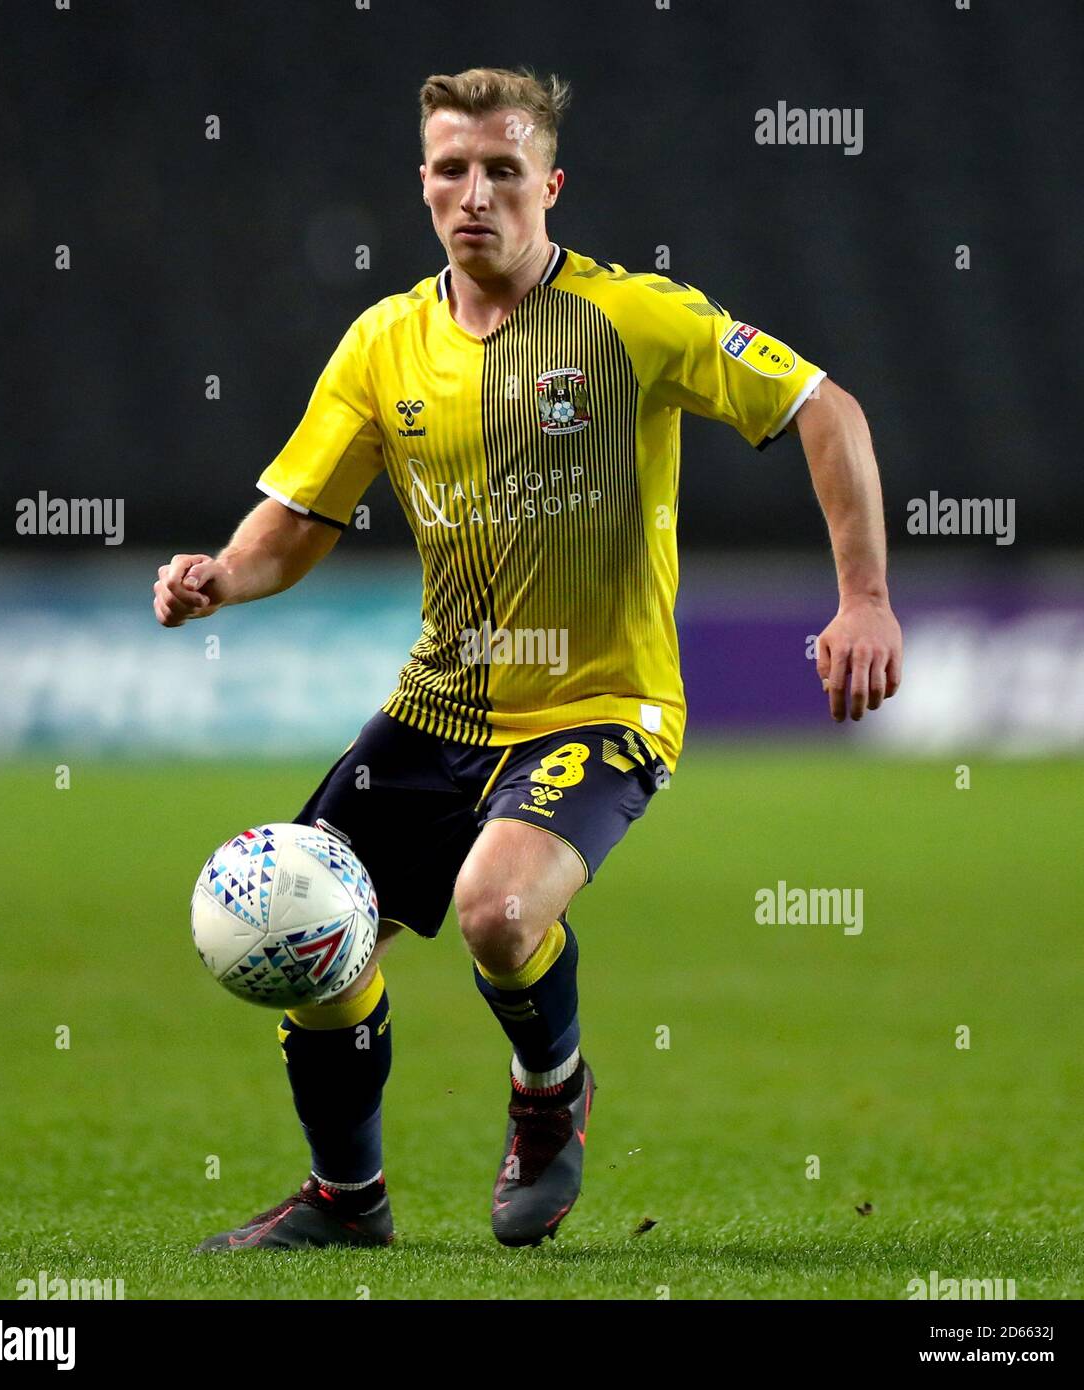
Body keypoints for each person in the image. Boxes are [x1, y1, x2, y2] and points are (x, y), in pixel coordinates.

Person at [153, 66, 903, 1252]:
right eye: (451, 170)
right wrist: (220, 576)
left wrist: (862, 598)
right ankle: (348, 1201)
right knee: (307, 936)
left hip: (602, 702)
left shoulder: (634, 317)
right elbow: (297, 520)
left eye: (502, 170)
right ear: (423, 185)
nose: (475, 194)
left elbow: (826, 408)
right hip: (438, 706)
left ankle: (551, 1094)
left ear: (548, 185)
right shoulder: (383, 344)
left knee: (497, 913)